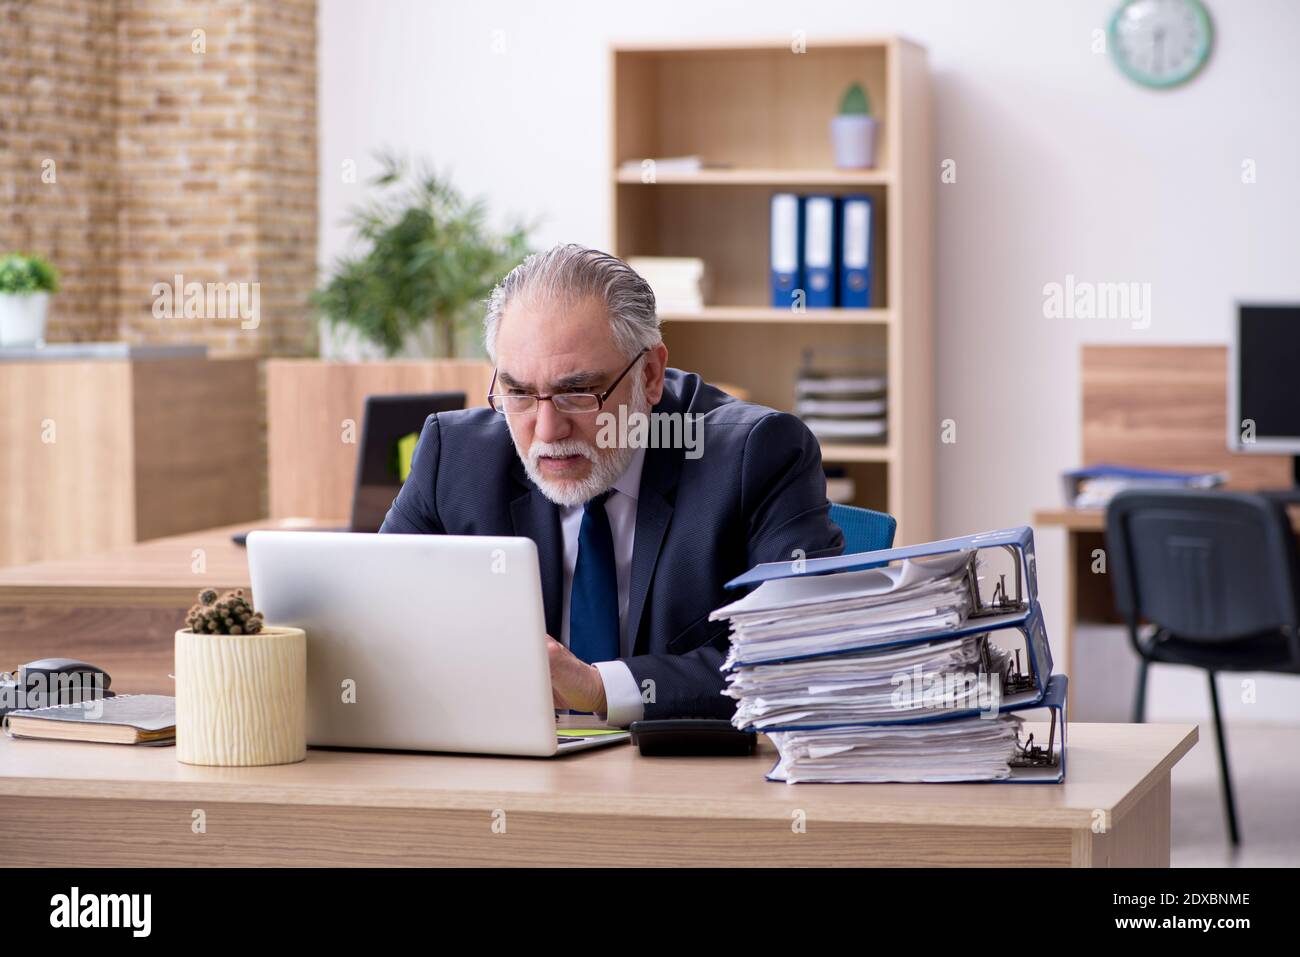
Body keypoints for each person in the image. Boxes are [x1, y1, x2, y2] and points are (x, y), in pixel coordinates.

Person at [380, 244, 843, 724]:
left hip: (680, 783)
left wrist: (601, 689)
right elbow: (376, 623)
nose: (547, 431)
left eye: (578, 393)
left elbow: (799, 656)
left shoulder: (756, 455)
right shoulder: (453, 456)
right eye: (518, 392)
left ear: (650, 374)